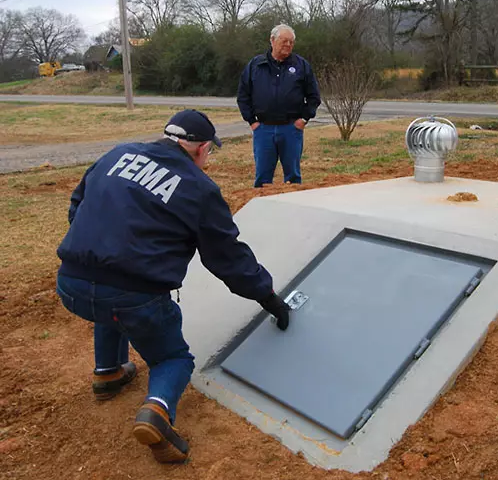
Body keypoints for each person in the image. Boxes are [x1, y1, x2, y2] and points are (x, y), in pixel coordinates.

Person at [55, 109, 291, 464]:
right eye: (209, 153)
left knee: (110, 302)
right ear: (200, 149)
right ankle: (157, 413)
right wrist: (267, 295)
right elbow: (227, 258)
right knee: (172, 358)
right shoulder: (199, 189)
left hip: (70, 283)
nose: (207, 161)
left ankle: (109, 372)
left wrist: (99, 245)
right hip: (134, 296)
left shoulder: (117, 154)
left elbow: (78, 204)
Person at [237, 24, 321, 187]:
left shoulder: (301, 66)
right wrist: (252, 122)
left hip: (291, 129)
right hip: (263, 130)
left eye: (291, 42)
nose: (288, 45)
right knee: (262, 178)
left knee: (293, 178)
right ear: (272, 40)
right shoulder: (255, 65)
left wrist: (303, 119)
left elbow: (313, 96)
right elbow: (243, 96)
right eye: (284, 41)